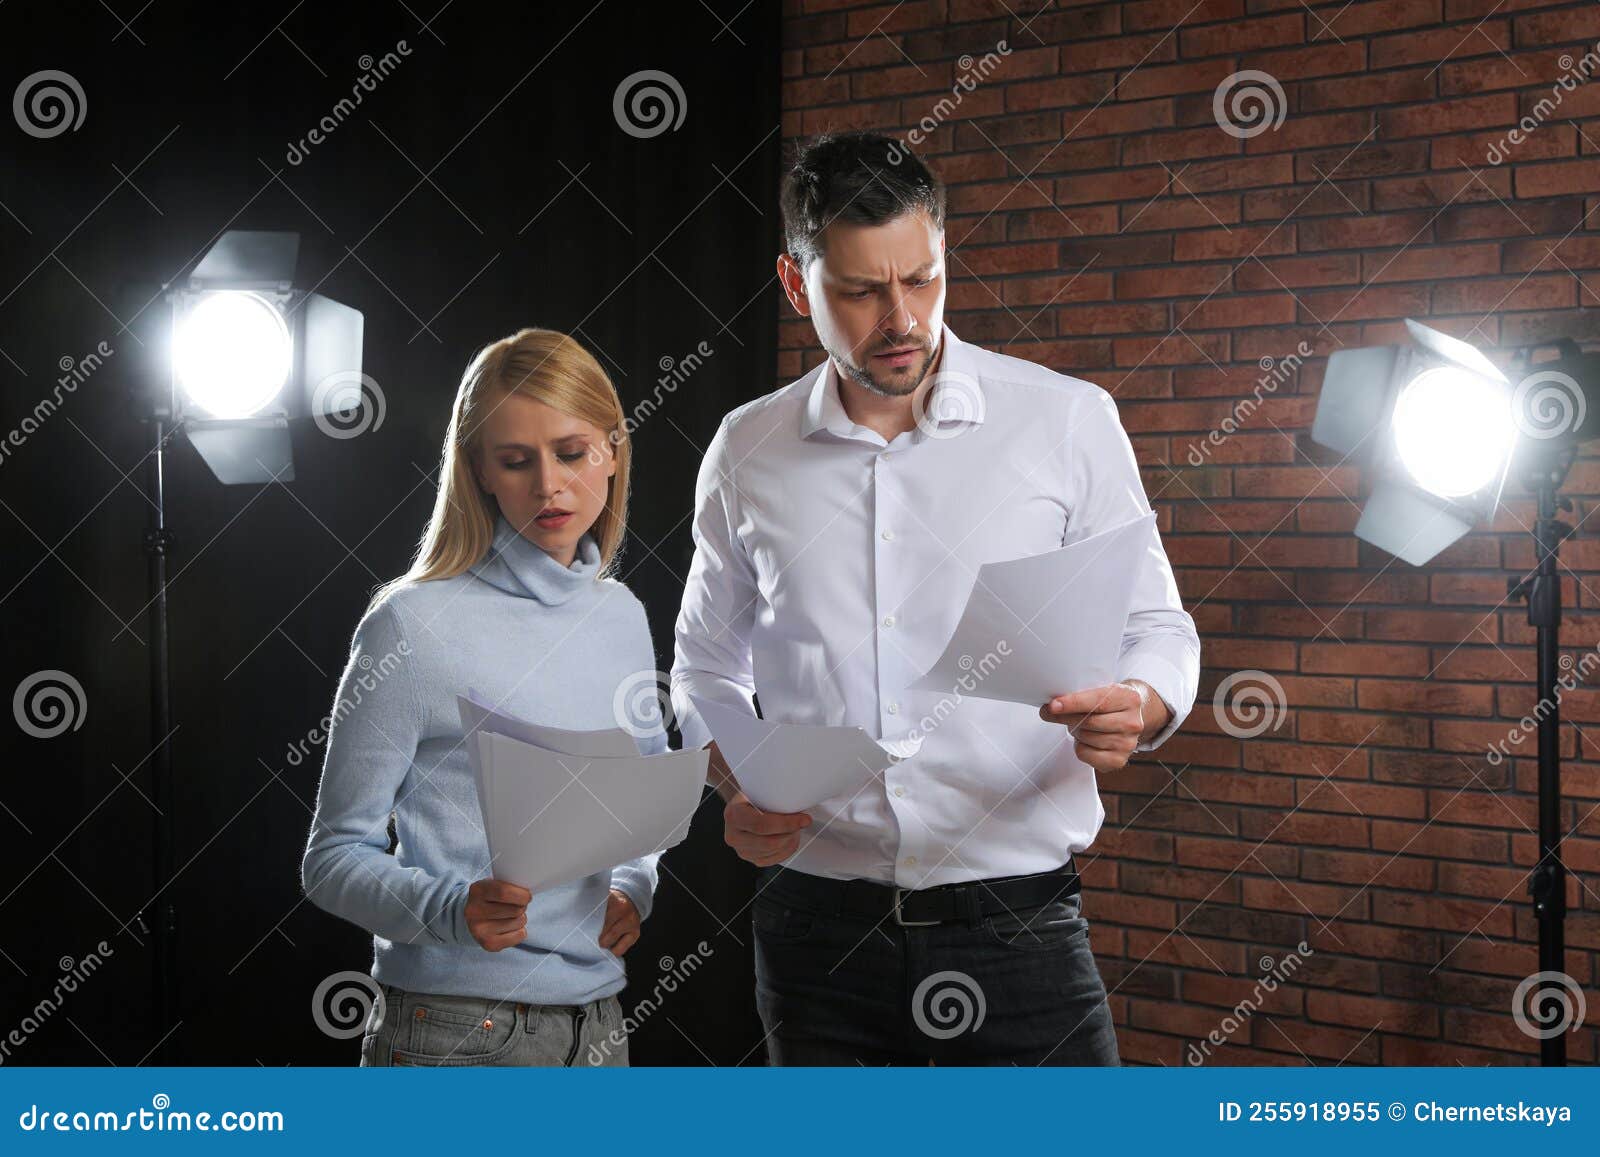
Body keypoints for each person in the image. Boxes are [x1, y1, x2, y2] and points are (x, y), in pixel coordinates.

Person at [670, 131, 1201, 1065]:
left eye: (921, 279)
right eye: (863, 291)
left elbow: (1157, 625)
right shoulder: (745, 450)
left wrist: (1143, 701)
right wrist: (732, 775)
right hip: (816, 939)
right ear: (798, 287)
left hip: (1020, 923)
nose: (901, 317)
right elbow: (705, 667)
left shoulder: (1067, 418)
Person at [301, 327, 664, 1066]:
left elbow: (646, 802)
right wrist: (451, 911)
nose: (549, 485)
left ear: (613, 450)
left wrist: (633, 886)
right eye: (515, 460)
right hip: (456, 1036)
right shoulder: (411, 623)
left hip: (597, 1030)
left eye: (571, 452)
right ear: (480, 472)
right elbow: (332, 857)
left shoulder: (621, 613)